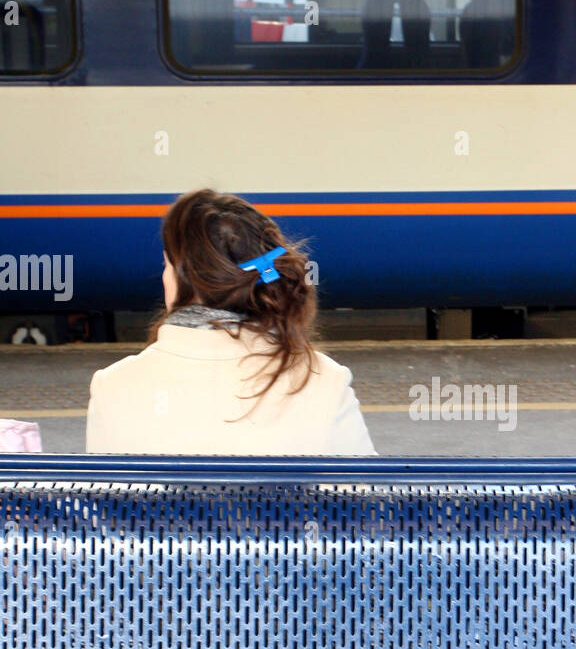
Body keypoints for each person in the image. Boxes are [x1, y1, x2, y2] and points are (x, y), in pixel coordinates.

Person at [86, 189, 375, 455]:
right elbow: (366, 501)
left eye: (166, 264)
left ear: (179, 278)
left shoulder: (113, 387)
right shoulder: (323, 380)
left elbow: (103, 505)